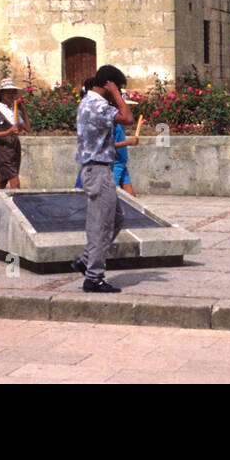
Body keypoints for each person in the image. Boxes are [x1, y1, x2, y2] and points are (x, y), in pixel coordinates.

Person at [71, 65, 134, 293]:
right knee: (101, 225)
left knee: (116, 218)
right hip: (98, 170)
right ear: (108, 84)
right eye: (115, 87)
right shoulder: (97, 104)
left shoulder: (89, 102)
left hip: (97, 169)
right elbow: (127, 117)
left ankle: (87, 260)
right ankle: (94, 277)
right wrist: (117, 94)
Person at [0, 78, 29, 189]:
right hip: (3, 150)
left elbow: (27, 128)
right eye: (8, 92)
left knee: (3, 181)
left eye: (12, 92)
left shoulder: (13, 110)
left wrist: (23, 111)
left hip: (14, 148)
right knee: (15, 181)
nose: (11, 95)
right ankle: (17, 205)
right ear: (2, 94)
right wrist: (8, 131)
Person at [113, 116, 139, 196]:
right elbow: (106, 145)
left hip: (121, 161)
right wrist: (128, 142)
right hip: (114, 163)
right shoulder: (109, 125)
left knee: (130, 194)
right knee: (111, 193)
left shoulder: (119, 124)